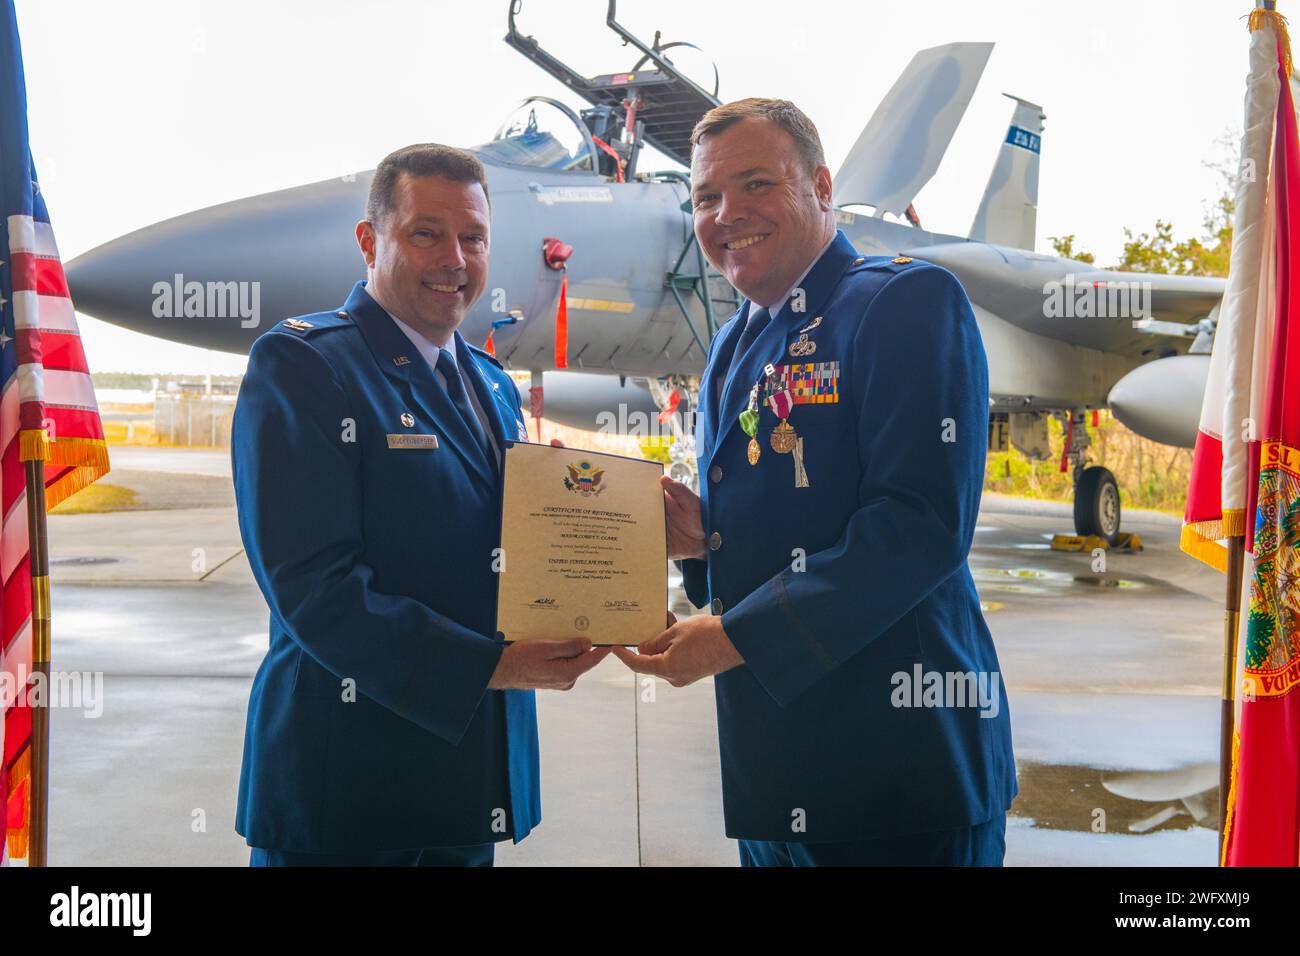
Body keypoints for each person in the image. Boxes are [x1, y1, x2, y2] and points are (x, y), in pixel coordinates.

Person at [614, 99, 1018, 866]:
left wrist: (734, 636)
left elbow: (919, 527)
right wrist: (701, 544)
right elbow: (779, 526)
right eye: (706, 198)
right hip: (776, 771)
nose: (727, 213)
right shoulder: (737, 342)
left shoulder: (902, 300)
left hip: (897, 778)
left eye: (755, 184)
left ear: (822, 186)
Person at [231, 143, 609, 866]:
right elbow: (315, 592)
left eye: (473, 237)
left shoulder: (492, 386)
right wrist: (496, 667)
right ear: (370, 241)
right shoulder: (307, 365)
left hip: (468, 786)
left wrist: (595, 533)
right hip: (348, 793)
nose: (455, 258)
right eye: (426, 232)